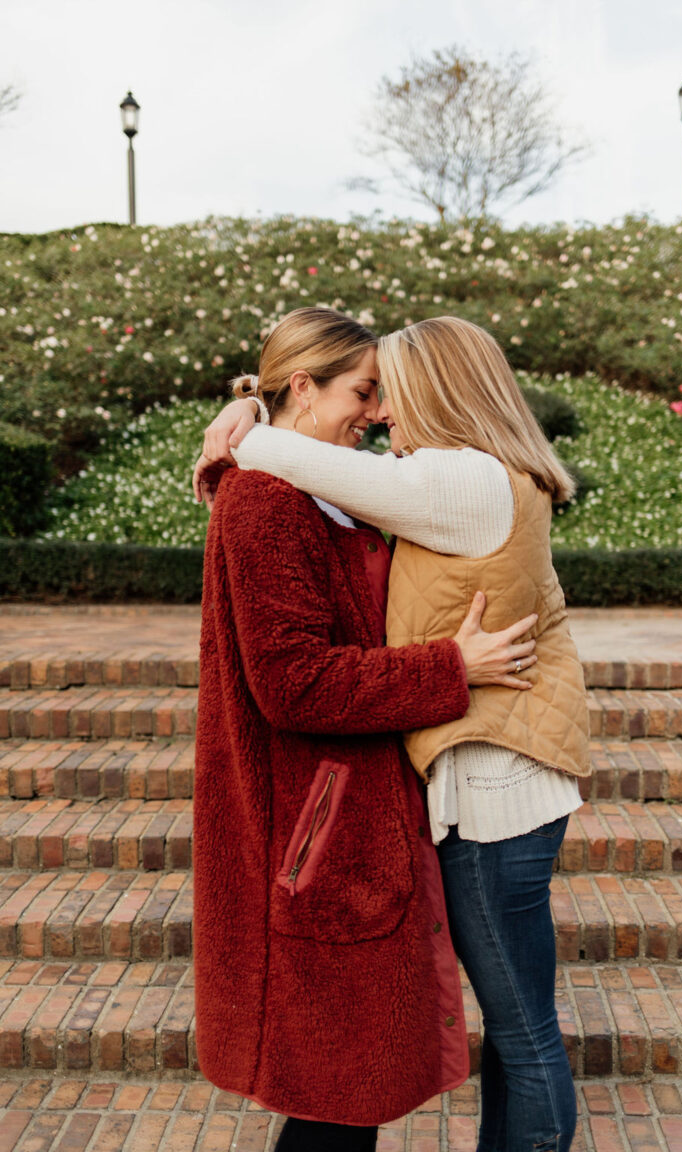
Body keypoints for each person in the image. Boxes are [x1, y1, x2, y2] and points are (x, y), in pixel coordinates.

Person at [195, 315, 591, 1152]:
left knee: (351, 1087)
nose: (376, 416)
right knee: (338, 1092)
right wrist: (448, 668)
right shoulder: (268, 504)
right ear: (303, 386)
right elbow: (293, 683)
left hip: (375, 809)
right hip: (324, 817)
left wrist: (248, 419)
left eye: (385, 394)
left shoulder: (378, 487)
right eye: (364, 392)